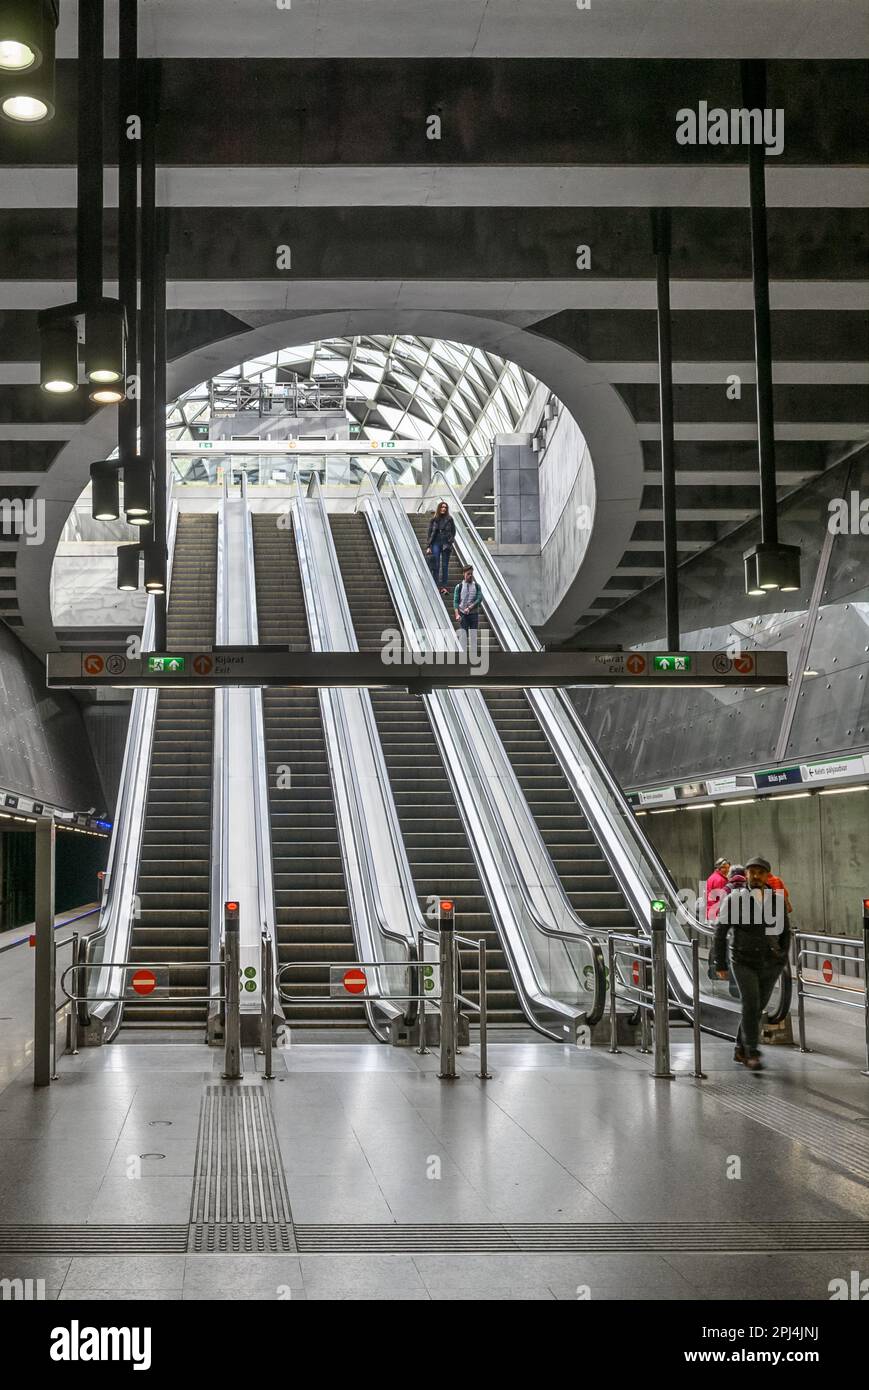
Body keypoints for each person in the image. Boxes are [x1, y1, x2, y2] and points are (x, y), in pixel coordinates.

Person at [713, 855, 791, 1071]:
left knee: (757, 1008)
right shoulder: (735, 899)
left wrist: (783, 957)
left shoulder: (776, 899)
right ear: (746, 874)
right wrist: (720, 963)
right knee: (750, 1004)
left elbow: (785, 931)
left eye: (760, 872)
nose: (756, 876)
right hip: (743, 960)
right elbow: (720, 932)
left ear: (767, 875)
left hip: (770, 962)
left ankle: (740, 1047)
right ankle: (751, 1052)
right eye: (752, 872)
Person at [425, 500, 456, 593]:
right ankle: (436, 585)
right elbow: (430, 533)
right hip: (436, 542)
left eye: (445, 507)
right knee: (436, 565)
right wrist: (428, 546)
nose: (443, 509)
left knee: (445, 565)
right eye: (442, 507)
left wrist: (450, 540)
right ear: (439, 508)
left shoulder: (450, 519)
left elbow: (453, 531)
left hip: (446, 543)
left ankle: (444, 586)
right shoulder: (434, 520)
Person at [454, 565, 482, 636]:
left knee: (473, 636)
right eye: (468, 574)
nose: (470, 575)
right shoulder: (459, 586)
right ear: (464, 574)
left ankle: (473, 647)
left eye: (471, 573)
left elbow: (479, 599)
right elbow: (456, 601)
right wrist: (457, 614)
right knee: (463, 636)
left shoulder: (477, 586)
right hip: (463, 615)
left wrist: (470, 607)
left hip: (474, 614)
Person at [705, 856, 731, 922]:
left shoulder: (712, 877)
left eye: (728, 868)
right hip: (717, 914)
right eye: (724, 868)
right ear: (718, 868)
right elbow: (722, 899)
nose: (727, 870)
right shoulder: (721, 880)